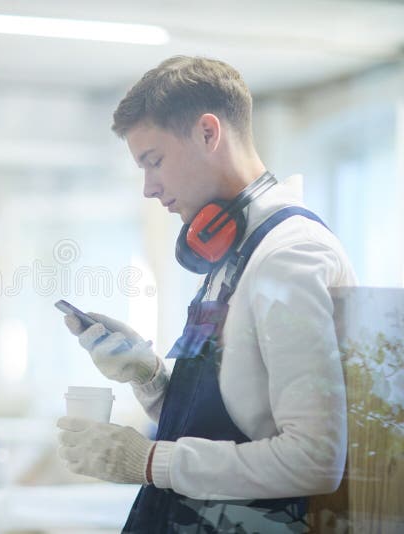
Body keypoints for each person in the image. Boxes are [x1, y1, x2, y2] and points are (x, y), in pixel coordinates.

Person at [56, 56, 356, 532]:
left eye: (153, 162)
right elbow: (234, 417)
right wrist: (150, 378)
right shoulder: (235, 254)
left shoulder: (290, 256)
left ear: (208, 133)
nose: (149, 188)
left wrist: (152, 461)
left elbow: (315, 459)